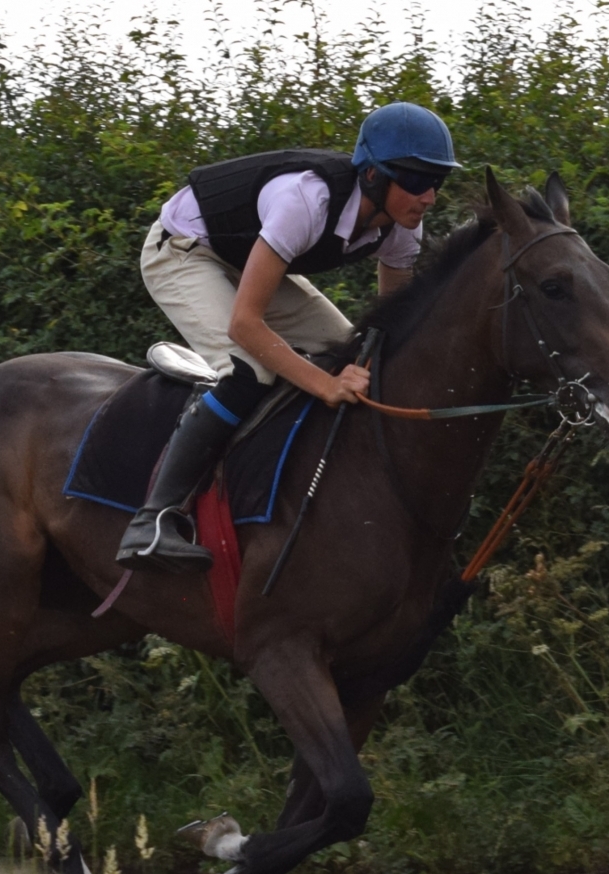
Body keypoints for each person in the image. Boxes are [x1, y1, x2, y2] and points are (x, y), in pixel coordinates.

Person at [117, 101, 461, 573]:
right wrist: (325, 385)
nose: (429, 198)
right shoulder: (306, 199)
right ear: (375, 177)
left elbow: (388, 326)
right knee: (248, 369)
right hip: (184, 251)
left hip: (244, 257)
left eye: (437, 184)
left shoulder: (403, 228)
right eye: (418, 182)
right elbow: (245, 325)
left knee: (353, 348)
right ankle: (152, 520)